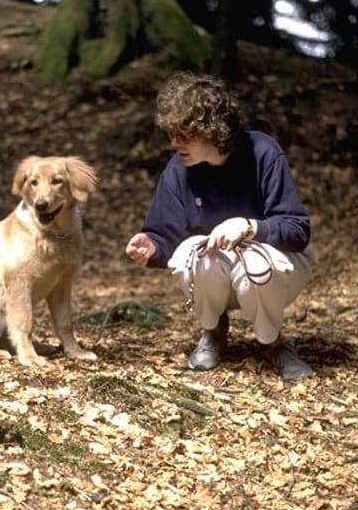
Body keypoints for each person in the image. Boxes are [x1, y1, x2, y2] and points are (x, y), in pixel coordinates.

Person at [125, 72, 314, 382]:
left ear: (210, 130)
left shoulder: (262, 152)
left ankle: (273, 343)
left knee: (253, 260)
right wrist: (152, 246)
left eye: (183, 134)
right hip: (216, 274)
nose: (174, 143)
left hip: (277, 266)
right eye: (171, 133)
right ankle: (213, 332)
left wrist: (250, 227)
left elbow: (297, 230)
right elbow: (167, 237)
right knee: (197, 251)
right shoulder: (178, 169)